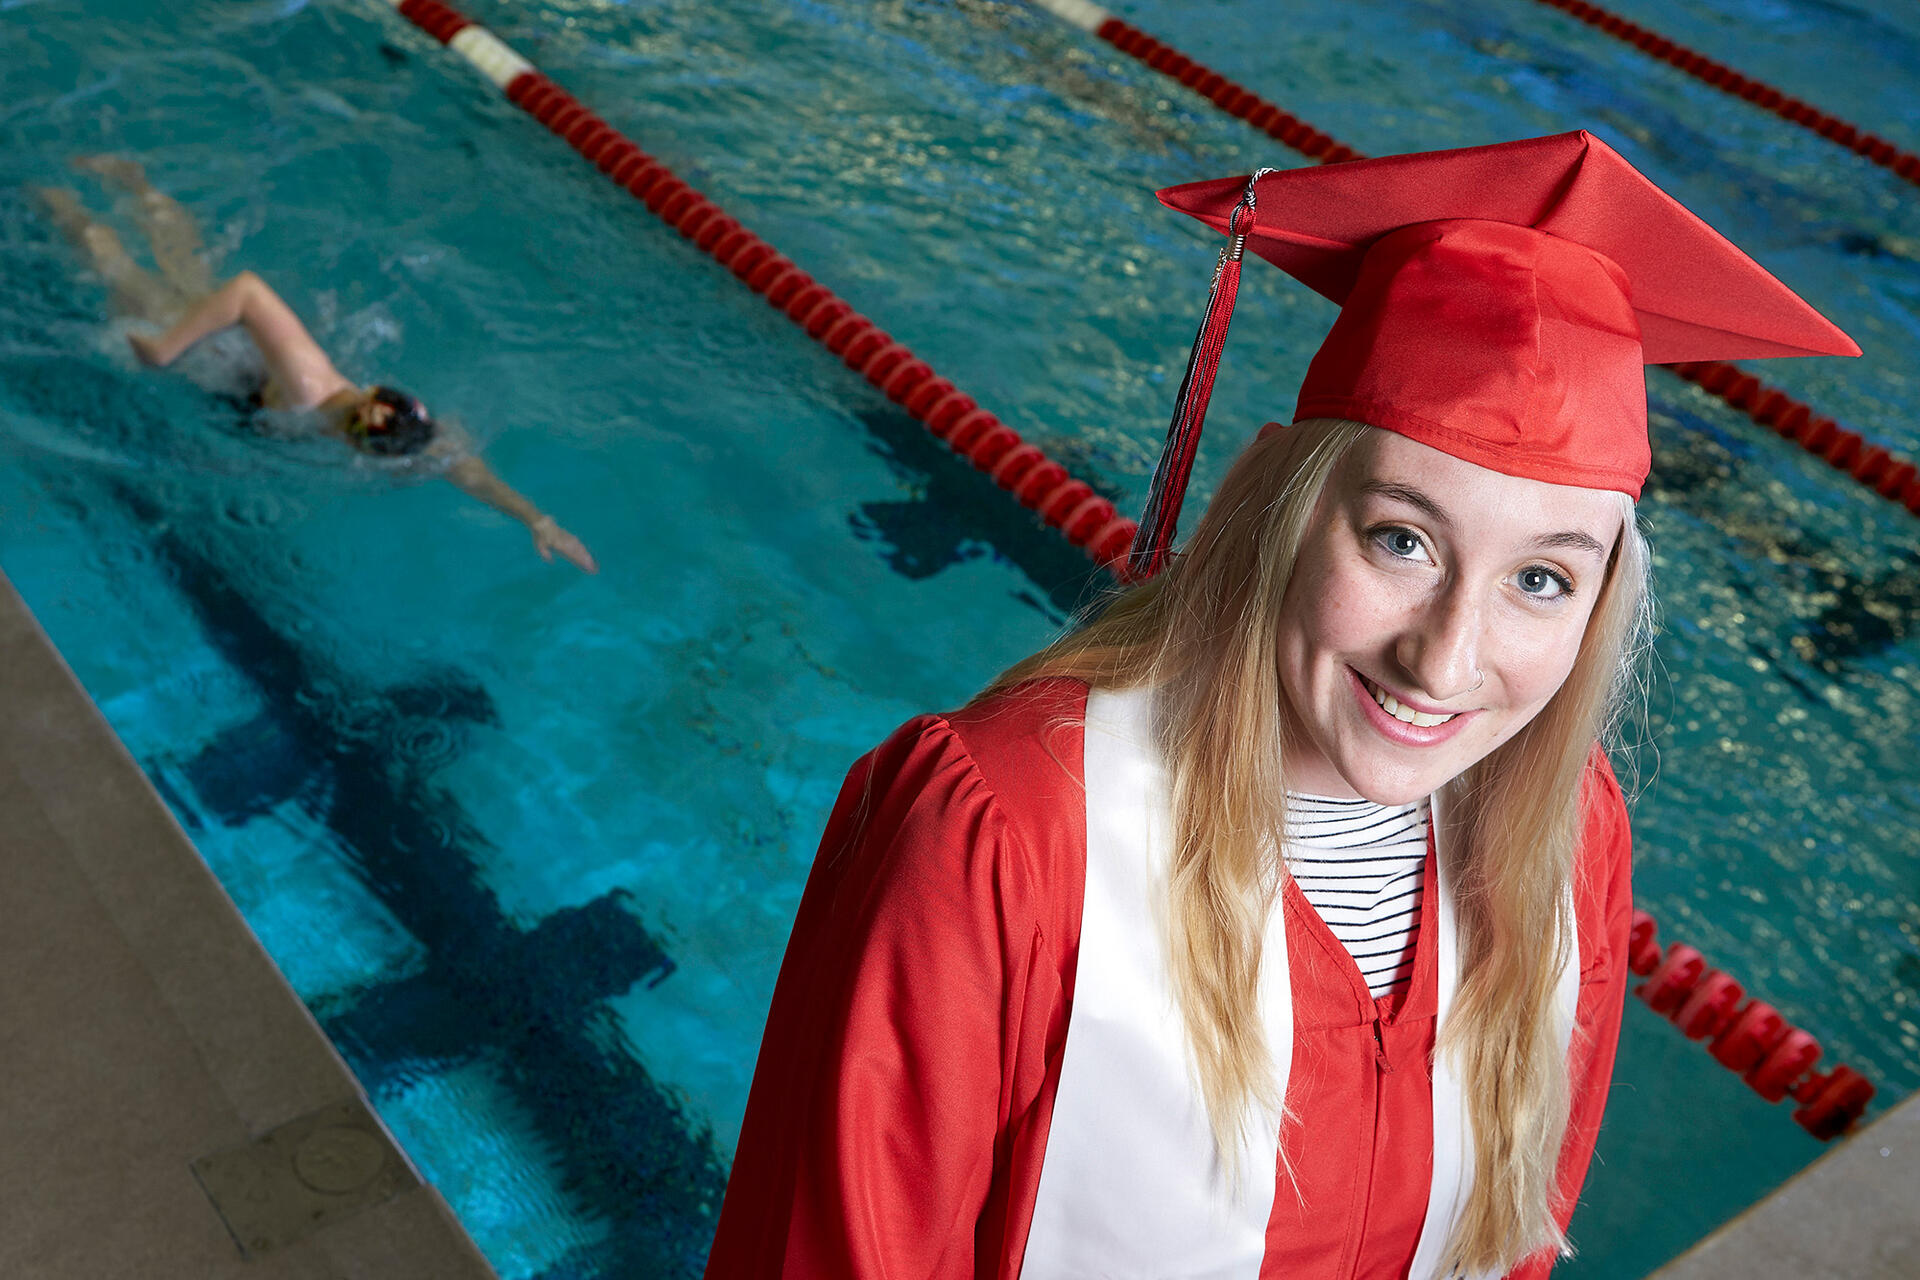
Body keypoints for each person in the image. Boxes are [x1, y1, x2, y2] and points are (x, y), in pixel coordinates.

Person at [705, 132, 1859, 1279]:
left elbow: (1512, 1249)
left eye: (1540, 578)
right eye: (1402, 538)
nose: (1446, 657)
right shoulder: (1011, 831)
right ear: (1286, 510)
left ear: (1603, 600)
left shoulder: (1566, 834)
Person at [36, 156, 597, 573]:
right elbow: (249, 291)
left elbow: (457, 463)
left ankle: (134, 183)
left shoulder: (396, 427)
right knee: (113, 267)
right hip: (219, 351)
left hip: (240, 362)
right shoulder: (310, 385)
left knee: (188, 266)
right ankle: (48, 191)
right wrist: (166, 349)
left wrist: (535, 518)